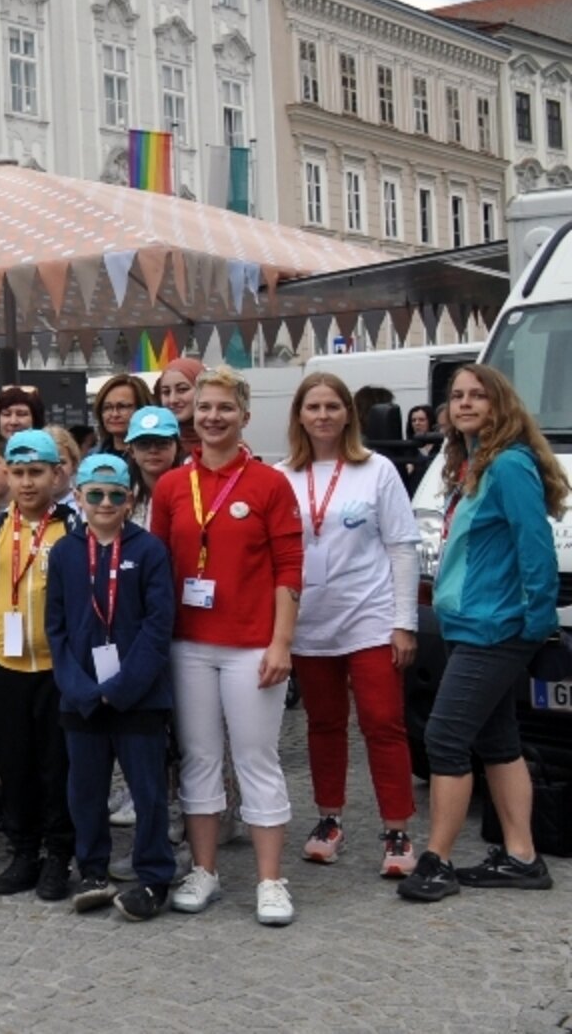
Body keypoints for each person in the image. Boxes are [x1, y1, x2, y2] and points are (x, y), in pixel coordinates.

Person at [400, 363, 563, 902]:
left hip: (497, 627)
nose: (465, 404)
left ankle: (437, 859)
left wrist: (536, 625)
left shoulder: (509, 465)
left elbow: (534, 547)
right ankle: (521, 856)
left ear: (500, 405)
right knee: (498, 740)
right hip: (471, 625)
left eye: (478, 396)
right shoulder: (472, 465)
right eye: (457, 396)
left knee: (445, 736)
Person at [150, 366, 303, 925]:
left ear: (244, 415)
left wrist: (281, 643)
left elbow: (290, 569)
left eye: (224, 408)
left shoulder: (269, 484)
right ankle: (205, 870)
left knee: (256, 758)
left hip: (251, 645)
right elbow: (159, 569)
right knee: (199, 759)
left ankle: (270, 879)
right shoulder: (170, 485)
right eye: (205, 407)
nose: (212, 417)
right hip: (188, 644)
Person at [277, 373, 422, 877]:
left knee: (383, 721)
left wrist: (404, 623)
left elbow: (403, 546)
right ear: (298, 415)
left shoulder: (376, 470)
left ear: (347, 414)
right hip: (311, 622)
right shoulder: (282, 476)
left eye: (332, 406)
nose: (322, 416)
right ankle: (329, 819)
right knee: (323, 724)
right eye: (313, 407)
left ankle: (398, 828)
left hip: (370, 617)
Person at [46, 453, 178, 920]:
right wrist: (81, 688)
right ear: (77, 497)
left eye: (115, 495)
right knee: (85, 790)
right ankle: (95, 869)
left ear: (131, 500)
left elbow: (158, 627)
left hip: (139, 696)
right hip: (80, 698)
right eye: (95, 494)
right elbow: (55, 630)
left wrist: (122, 687)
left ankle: (155, 874)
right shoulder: (64, 552)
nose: (105, 502)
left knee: (147, 791)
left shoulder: (149, 551)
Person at [0, 430, 79, 901]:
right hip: (7, 669)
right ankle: (24, 851)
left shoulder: (73, 527)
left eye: (36, 473)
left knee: (57, 767)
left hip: (58, 671)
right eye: (18, 473)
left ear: (56, 474)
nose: (26, 483)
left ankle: (60, 854)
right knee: (15, 766)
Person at [124, 407, 184, 525]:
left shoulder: (192, 489)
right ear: (131, 451)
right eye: (143, 444)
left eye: (162, 443)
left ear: (177, 448)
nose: (153, 450)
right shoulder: (122, 494)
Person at [93, 375, 153, 456]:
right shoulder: (92, 458)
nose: (114, 414)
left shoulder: (154, 457)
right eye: (107, 407)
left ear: (141, 408)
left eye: (122, 406)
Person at [154, 356, 204, 451]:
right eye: (166, 392)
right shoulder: (151, 441)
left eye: (182, 389)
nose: (173, 400)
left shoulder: (224, 441)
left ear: (202, 391)